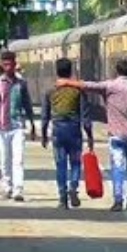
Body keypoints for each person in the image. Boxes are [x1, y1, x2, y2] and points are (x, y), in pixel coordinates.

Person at [57, 58, 127, 211]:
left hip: (116, 137)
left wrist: (66, 83)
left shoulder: (109, 86)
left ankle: (118, 200)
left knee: (117, 168)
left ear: (116, 72)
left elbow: (86, 85)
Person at [41, 58, 95, 209]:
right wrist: (90, 136)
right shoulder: (78, 90)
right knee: (76, 163)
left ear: (56, 71)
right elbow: (85, 117)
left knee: (60, 165)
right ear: (71, 71)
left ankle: (62, 197)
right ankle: (73, 187)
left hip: (58, 131)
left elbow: (45, 115)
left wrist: (44, 135)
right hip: (74, 130)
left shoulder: (50, 90)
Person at [0, 50, 37, 201]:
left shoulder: (21, 83)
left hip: (17, 126)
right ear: (1, 65)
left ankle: (18, 190)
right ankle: (7, 187)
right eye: (5, 64)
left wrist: (32, 124)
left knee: (18, 159)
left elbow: (27, 104)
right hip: (1, 127)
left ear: (15, 64)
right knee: (4, 159)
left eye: (11, 64)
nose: (8, 67)